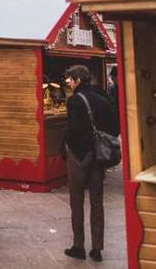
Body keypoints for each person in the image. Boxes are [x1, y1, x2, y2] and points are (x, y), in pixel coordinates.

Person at [63, 64, 119, 262]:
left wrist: (68, 146)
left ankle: (78, 246)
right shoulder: (102, 99)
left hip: (79, 156)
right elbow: (114, 126)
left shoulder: (74, 101)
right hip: (98, 156)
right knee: (97, 202)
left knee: (76, 201)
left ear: (78, 80)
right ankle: (97, 248)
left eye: (70, 79)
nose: (68, 82)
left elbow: (73, 129)